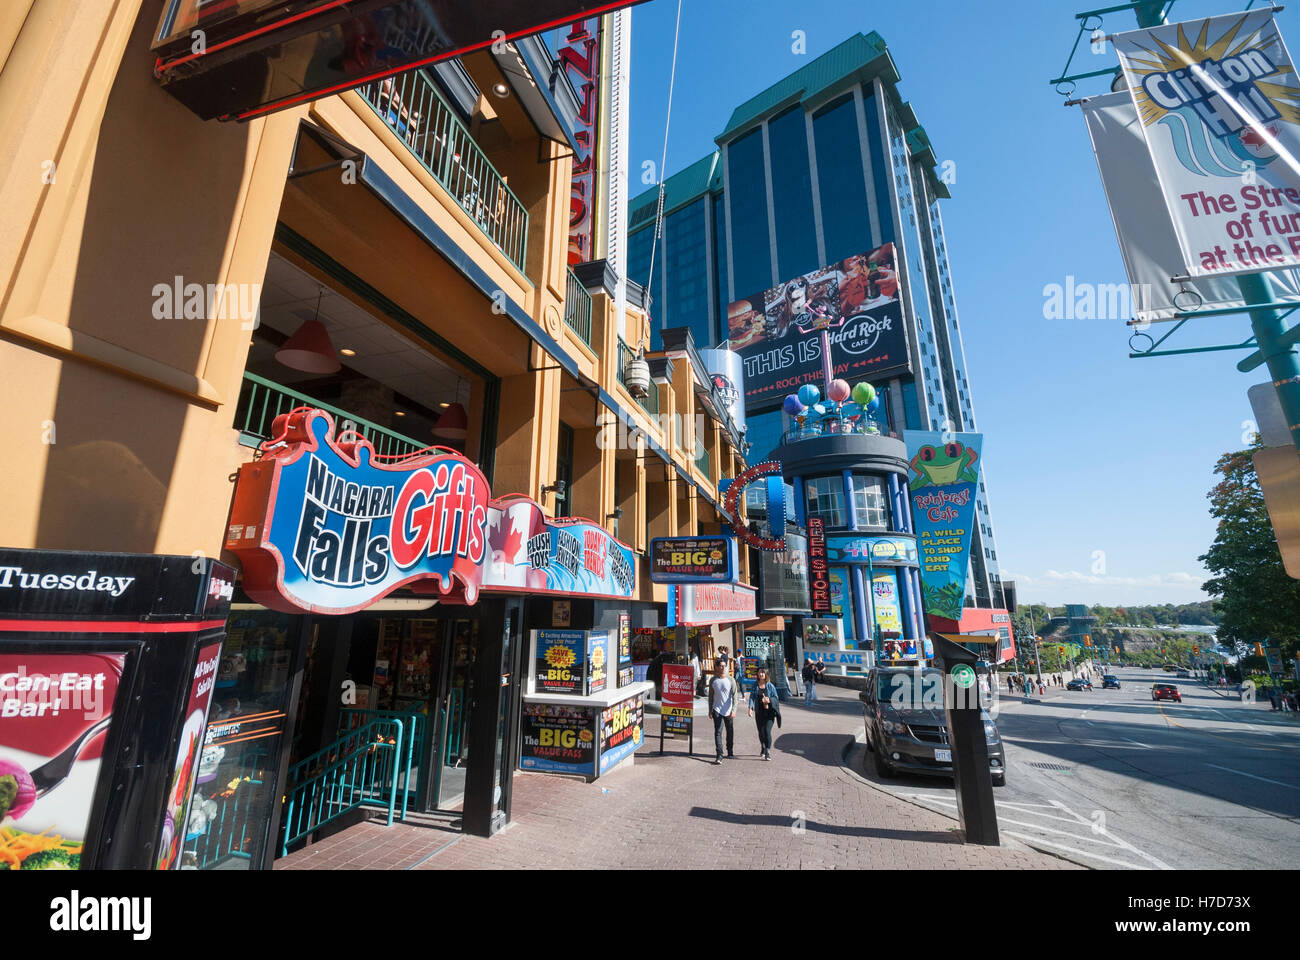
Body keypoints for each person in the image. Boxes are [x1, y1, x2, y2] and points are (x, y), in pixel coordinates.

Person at [747, 667, 783, 761]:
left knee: (767, 731)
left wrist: (769, 700)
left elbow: (776, 697)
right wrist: (750, 708)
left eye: (763, 672)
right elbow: (752, 697)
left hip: (770, 712)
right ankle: (763, 746)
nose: (761, 674)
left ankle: (767, 751)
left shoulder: (770, 686)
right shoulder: (755, 685)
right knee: (761, 732)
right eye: (760, 672)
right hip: (759, 712)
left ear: (766, 674)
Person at [709, 660, 739, 763]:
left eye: (724, 666)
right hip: (717, 710)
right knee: (718, 732)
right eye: (721, 666)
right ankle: (719, 755)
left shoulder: (731, 680)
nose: (723, 668)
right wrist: (710, 710)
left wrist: (734, 710)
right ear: (717, 667)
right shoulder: (713, 680)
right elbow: (710, 697)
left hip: (729, 710)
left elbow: (735, 696)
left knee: (730, 731)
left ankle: (730, 751)